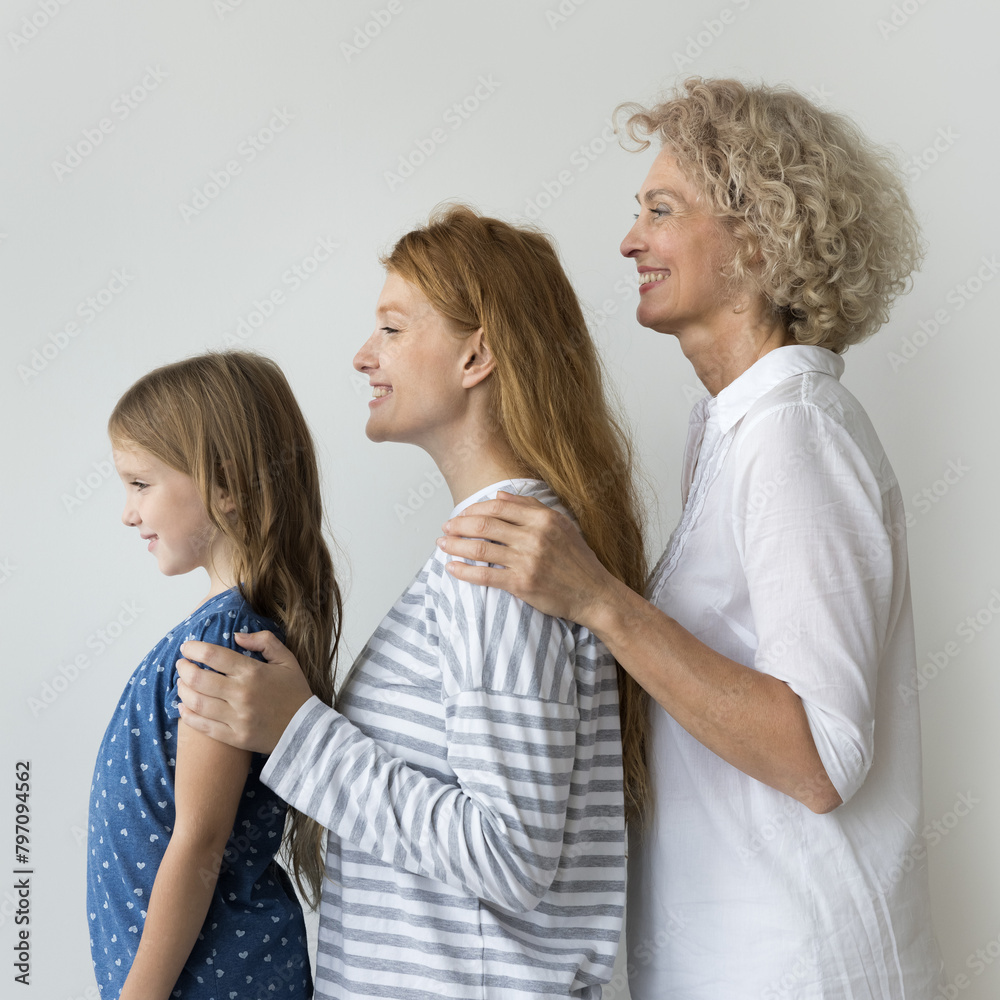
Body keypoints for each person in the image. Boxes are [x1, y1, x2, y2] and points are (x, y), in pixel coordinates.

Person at [437, 79, 946, 998]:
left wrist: (597, 600)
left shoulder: (796, 431)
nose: (632, 240)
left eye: (661, 211)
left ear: (760, 237)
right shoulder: (728, 432)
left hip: (801, 969)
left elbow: (820, 758)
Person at [175, 206, 650, 998]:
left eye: (393, 329)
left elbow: (509, 856)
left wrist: (297, 732)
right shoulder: (495, 549)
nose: (364, 355)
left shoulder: (498, 561)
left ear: (476, 355)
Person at [88, 351, 342, 999]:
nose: (127, 512)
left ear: (224, 485)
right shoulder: (217, 630)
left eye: (141, 484)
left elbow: (199, 843)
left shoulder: (225, 642)